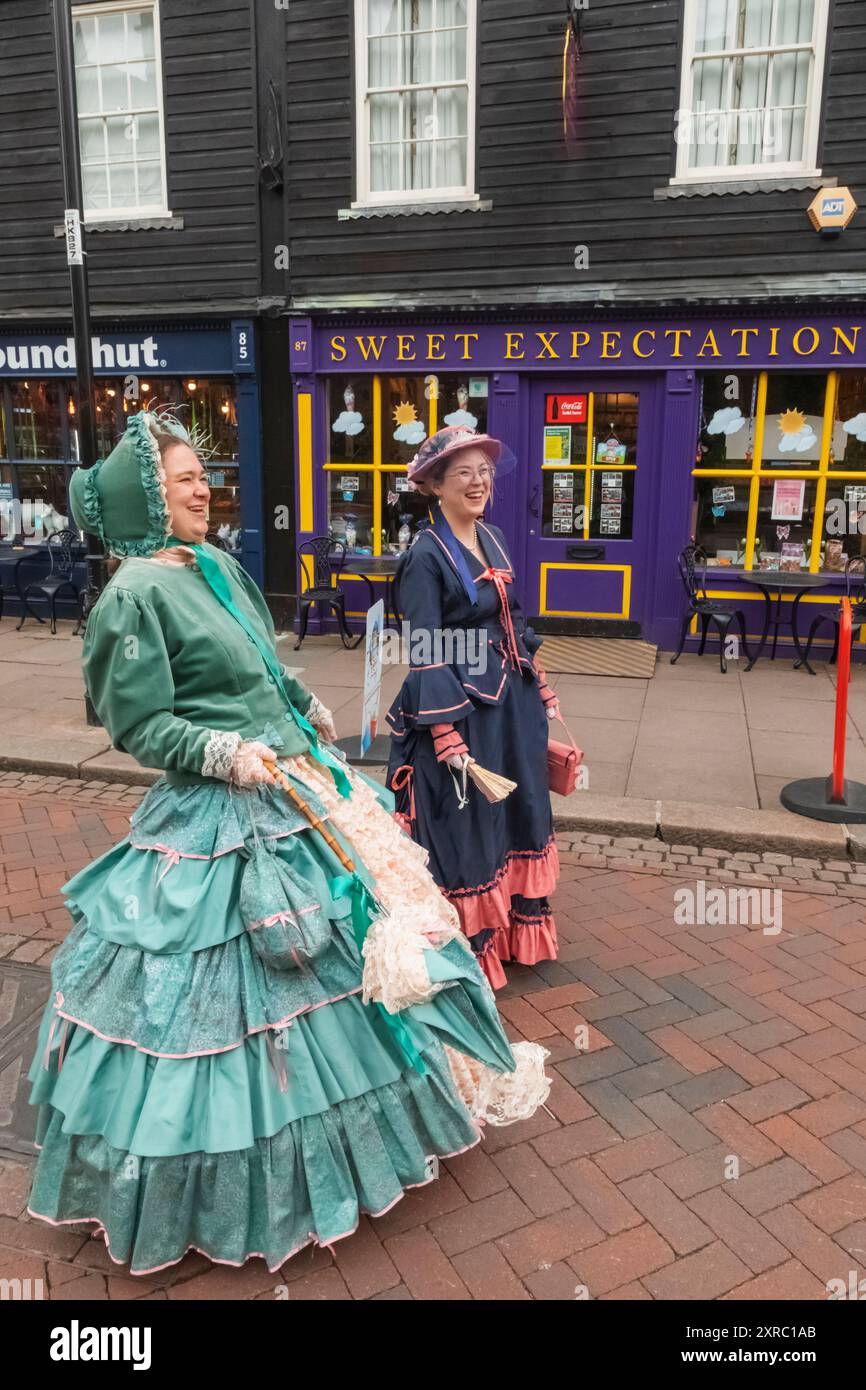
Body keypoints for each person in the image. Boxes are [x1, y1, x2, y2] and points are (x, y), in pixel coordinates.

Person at [25, 409, 550, 1277]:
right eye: (186, 478)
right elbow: (139, 720)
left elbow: (258, 661)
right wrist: (221, 751)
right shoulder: (132, 595)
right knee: (234, 991)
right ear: (143, 495)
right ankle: (229, 1185)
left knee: (365, 949)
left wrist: (298, 700)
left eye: (202, 474)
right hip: (225, 806)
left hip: (299, 780)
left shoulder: (216, 564)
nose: (205, 488)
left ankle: (392, 1122)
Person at [386, 425, 561, 989]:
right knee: (467, 823)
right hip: (461, 711)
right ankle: (472, 947)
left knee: (518, 809)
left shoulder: (497, 537)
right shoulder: (425, 556)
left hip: (511, 704)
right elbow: (425, 646)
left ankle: (514, 931)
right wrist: (443, 733)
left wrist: (541, 678)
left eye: (483, 470)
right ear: (436, 484)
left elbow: (512, 618)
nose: (478, 480)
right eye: (463, 472)